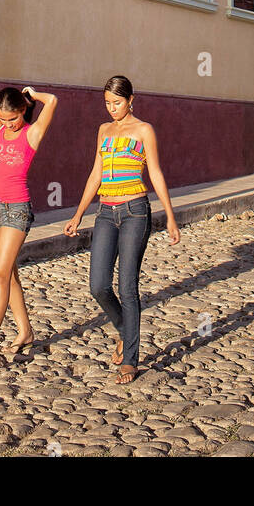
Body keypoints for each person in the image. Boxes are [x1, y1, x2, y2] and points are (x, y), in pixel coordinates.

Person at [64, 76, 181, 384]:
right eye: (107, 103)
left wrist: (169, 216)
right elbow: (96, 173)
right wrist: (78, 214)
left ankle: (130, 359)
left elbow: (154, 172)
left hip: (135, 212)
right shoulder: (103, 131)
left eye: (117, 102)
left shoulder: (144, 130)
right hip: (105, 212)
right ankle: (123, 329)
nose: (112, 108)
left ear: (131, 100)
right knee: (98, 285)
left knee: (128, 287)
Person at [0, 85, 57, 360]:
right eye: (3, 118)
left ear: (23, 110)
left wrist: (28, 94)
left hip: (17, 209)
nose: (7, 123)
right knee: (9, 273)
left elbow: (52, 100)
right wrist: (1, 98)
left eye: (12, 117)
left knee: (0, 274)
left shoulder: (33, 133)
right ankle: (25, 331)